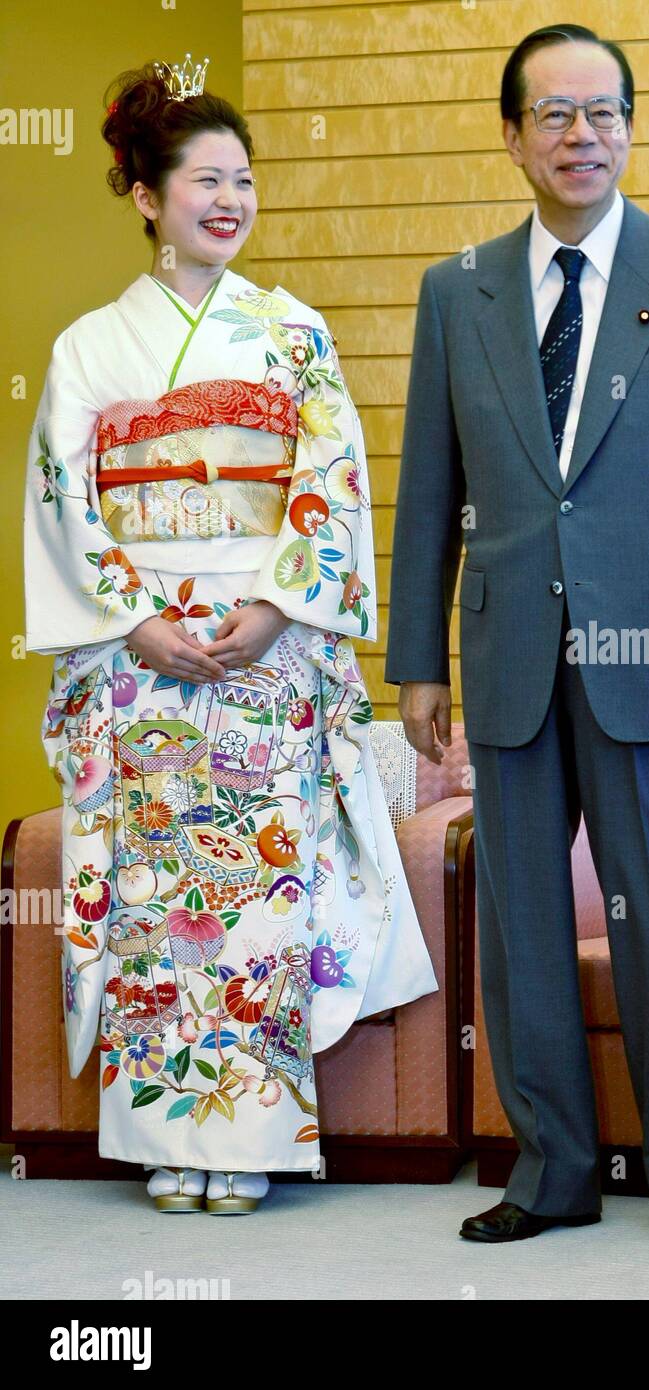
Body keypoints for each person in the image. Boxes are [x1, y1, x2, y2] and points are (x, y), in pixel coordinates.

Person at [386, 24, 649, 1246]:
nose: (581, 135)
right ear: (511, 136)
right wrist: (414, 659)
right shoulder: (457, 290)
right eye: (553, 115)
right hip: (506, 653)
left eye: (602, 112)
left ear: (630, 124)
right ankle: (549, 1168)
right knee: (517, 925)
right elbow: (425, 488)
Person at [23, 57, 436, 1214]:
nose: (229, 202)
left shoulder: (291, 333)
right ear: (147, 196)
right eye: (204, 180)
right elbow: (64, 495)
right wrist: (133, 620)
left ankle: (250, 1140)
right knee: (161, 901)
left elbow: (331, 480)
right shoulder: (88, 349)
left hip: (262, 656)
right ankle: (164, 1135)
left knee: (260, 894)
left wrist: (278, 606)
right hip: (147, 664)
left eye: (243, 181)